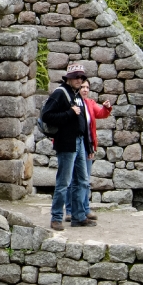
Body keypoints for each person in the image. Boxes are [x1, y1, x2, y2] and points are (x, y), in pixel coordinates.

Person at [39, 65, 95, 229]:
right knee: (64, 182)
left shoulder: (77, 95)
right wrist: (69, 113)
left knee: (82, 180)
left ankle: (78, 216)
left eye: (82, 78)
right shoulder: (60, 93)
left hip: (79, 143)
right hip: (66, 143)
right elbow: (47, 115)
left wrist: (88, 146)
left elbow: (83, 122)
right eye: (77, 77)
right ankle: (56, 217)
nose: (80, 80)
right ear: (68, 78)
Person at [65, 78, 113, 222]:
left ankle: (85, 208)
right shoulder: (72, 102)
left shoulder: (90, 104)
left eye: (87, 87)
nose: (85, 89)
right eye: (83, 87)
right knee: (72, 180)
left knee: (84, 180)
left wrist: (106, 108)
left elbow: (101, 114)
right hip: (72, 145)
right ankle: (69, 210)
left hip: (87, 146)